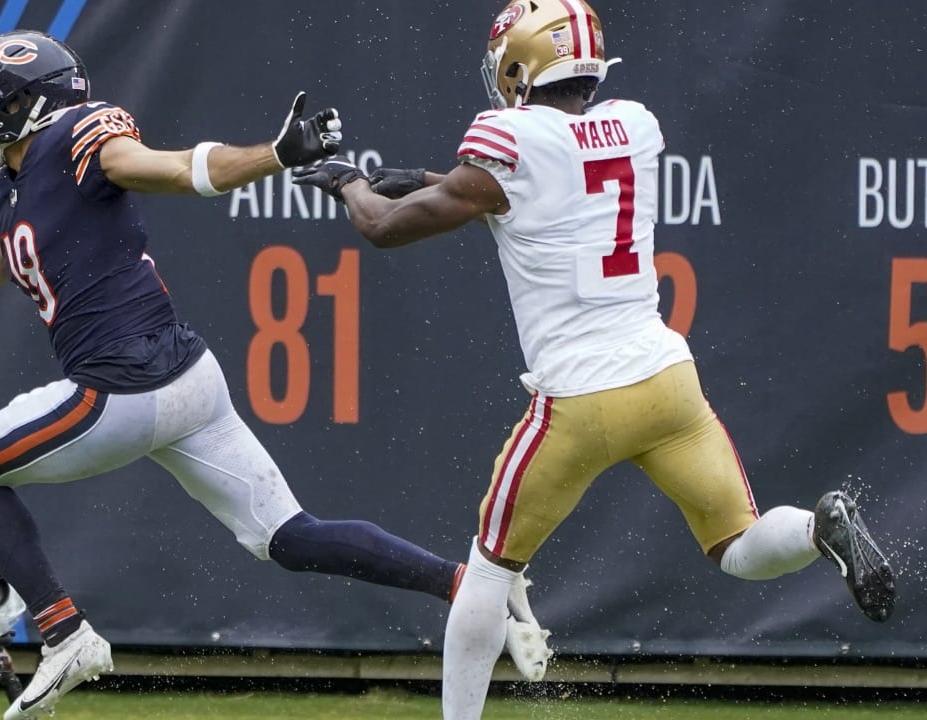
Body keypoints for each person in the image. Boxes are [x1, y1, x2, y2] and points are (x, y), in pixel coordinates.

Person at [0, 29, 557, 720]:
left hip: (122, 388)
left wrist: (274, 155)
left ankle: (65, 633)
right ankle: (470, 589)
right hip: (188, 382)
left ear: (26, 100)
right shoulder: (8, 191)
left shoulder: (80, 136)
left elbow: (167, 166)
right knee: (289, 536)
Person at [290, 1, 898, 718]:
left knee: (487, 570)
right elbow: (537, 179)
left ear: (521, 66)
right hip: (667, 381)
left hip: (578, 400)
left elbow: (387, 229)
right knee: (737, 542)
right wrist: (427, 175)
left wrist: (347, 182)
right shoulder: (634, 126)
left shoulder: (507, 138)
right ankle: (815, 529)